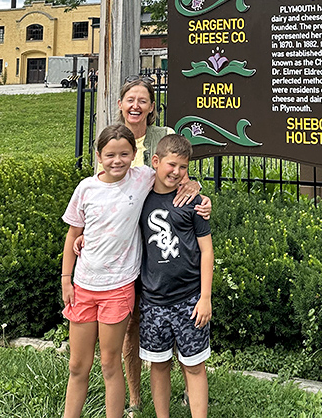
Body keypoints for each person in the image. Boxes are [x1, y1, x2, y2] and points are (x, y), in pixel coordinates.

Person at [60, 123, 202, 418]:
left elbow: (173, 171)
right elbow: (74, 234)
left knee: (110, 363)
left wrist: (195, 185)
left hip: (118, 287)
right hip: (84, 286)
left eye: (125, 154)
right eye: (110, 154)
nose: (117, 160)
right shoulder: (86, 189)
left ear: (135, 155)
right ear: (98, 156)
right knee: (77, 365)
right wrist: (66, 279)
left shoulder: (141, 179)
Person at [116, 75, 212, 415]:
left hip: (170, 261)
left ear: (152, 106)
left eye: (143, 100)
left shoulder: (163, 138)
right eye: (131, 100)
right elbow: (102, 185)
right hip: (131, 247)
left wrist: (196, 188)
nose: (136, 106)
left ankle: (188, 394)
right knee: (133, 329)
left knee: (183, 347)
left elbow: (180, 168)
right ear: (120, 104)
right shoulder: (114, 138)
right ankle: (135, 398)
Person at [138, 134, 213, 418]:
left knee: (194, 366)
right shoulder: (140, 199)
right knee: (159, 365)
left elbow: (207, 251)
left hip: (190, 299)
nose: (176, 172)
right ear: (156, 162)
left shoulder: (192, 202)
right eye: (171, 165)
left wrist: (205, 297)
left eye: (183, 167)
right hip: (153, 300)